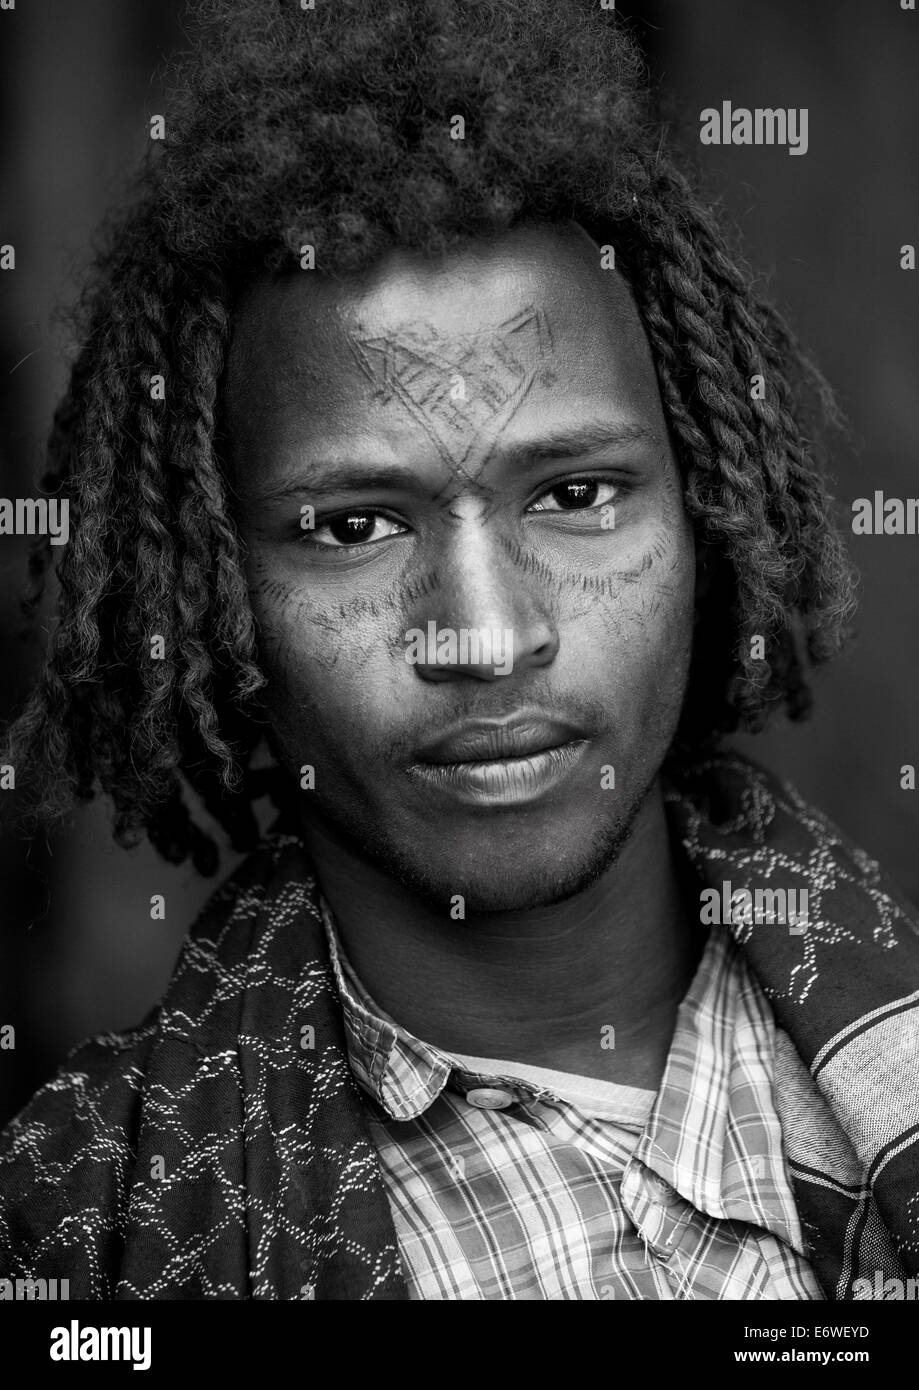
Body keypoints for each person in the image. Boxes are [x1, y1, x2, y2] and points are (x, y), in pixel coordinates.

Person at [1, 0, 916, 1302]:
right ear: (212, 585)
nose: (487, 635)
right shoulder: (68, 1237)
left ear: (710, 503)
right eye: (356, 524)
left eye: (578, 494)